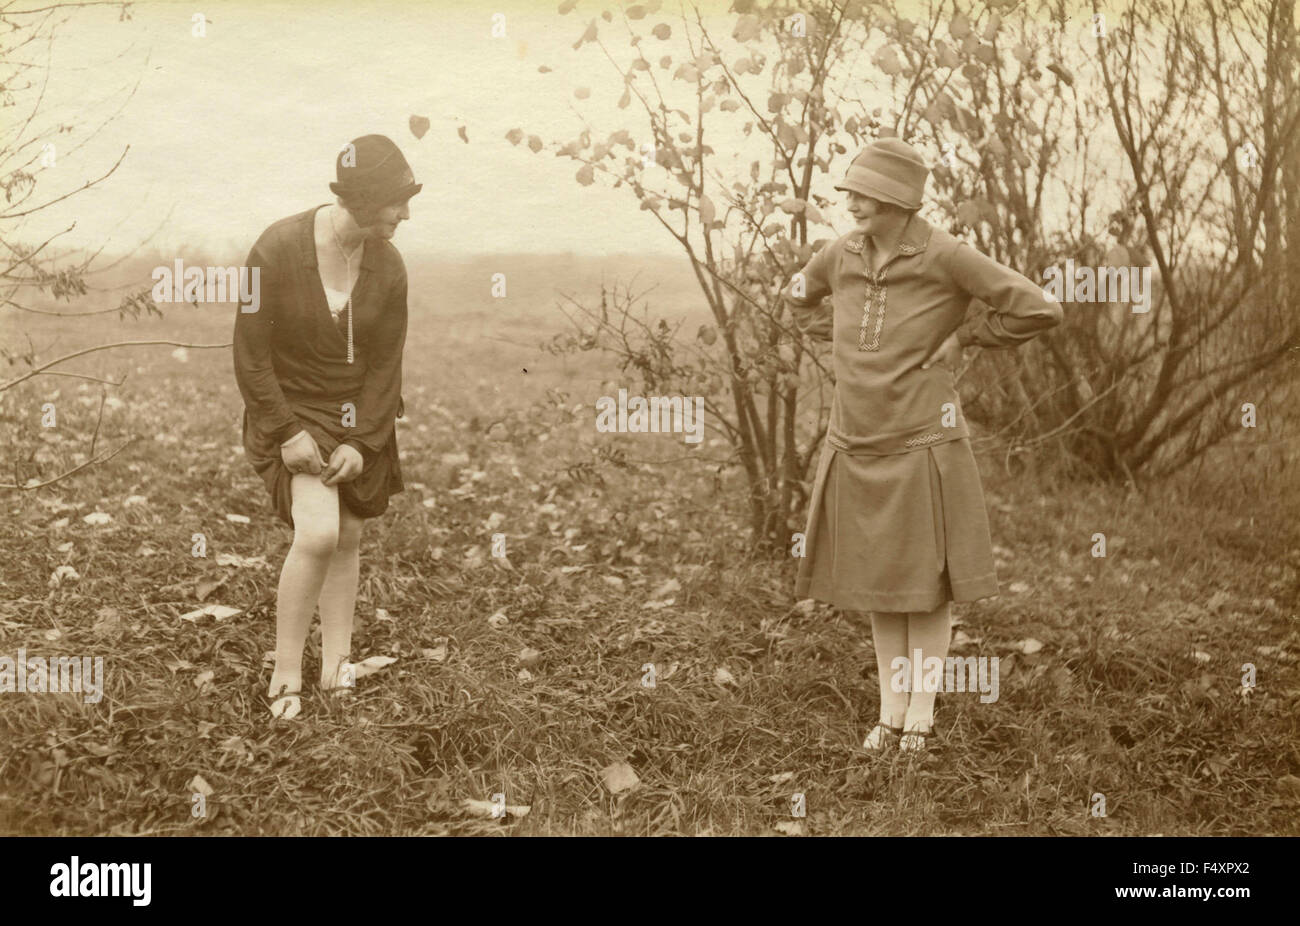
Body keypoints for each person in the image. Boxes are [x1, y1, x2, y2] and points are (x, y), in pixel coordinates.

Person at [784, 137, 1062, 752]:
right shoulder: (840, 253)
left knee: (925, 588)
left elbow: (1040, 308)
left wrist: (968, 337)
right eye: (851, 193)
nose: (853, 204)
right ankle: (889, 714)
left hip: (922, 442)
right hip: (855, 441)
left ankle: (921, 716)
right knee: (880, 586)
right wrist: (844, 349)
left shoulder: (947, 255)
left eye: (867, 196)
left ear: (900, 204)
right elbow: (799, 296)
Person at [233, 134, 419, 719]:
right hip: (290, 411)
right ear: (364, 199)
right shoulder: (277, 248)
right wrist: (286, 431)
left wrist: (365, 442)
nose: (405, 214)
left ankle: (338, 666)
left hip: (360, 414)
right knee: (318, 534)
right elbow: (249, 354)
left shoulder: (388, 266)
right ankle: (287, 670)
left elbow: (387, 363)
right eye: (396, 202)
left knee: (351, 537)